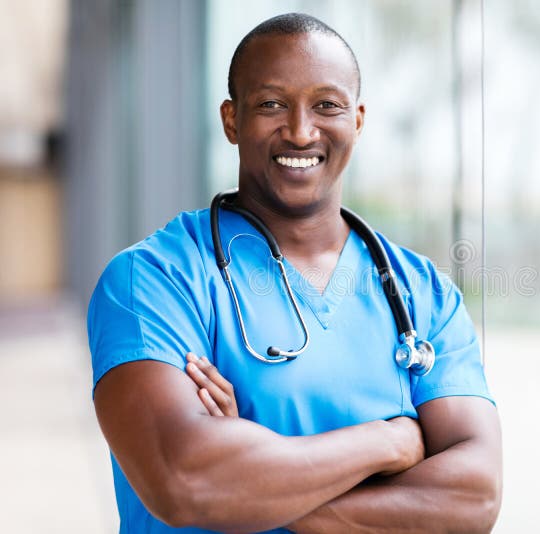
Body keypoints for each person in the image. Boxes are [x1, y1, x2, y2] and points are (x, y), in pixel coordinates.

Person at [88, 12, 502, 534]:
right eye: (271, 104)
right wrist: (391, 441)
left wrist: (251, 484)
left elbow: (475, 499)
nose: (301, 131)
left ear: (357, 118)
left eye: (327, 105)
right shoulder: (152, 280)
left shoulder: (424, 294)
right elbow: (186, 481)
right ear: (232, 119)